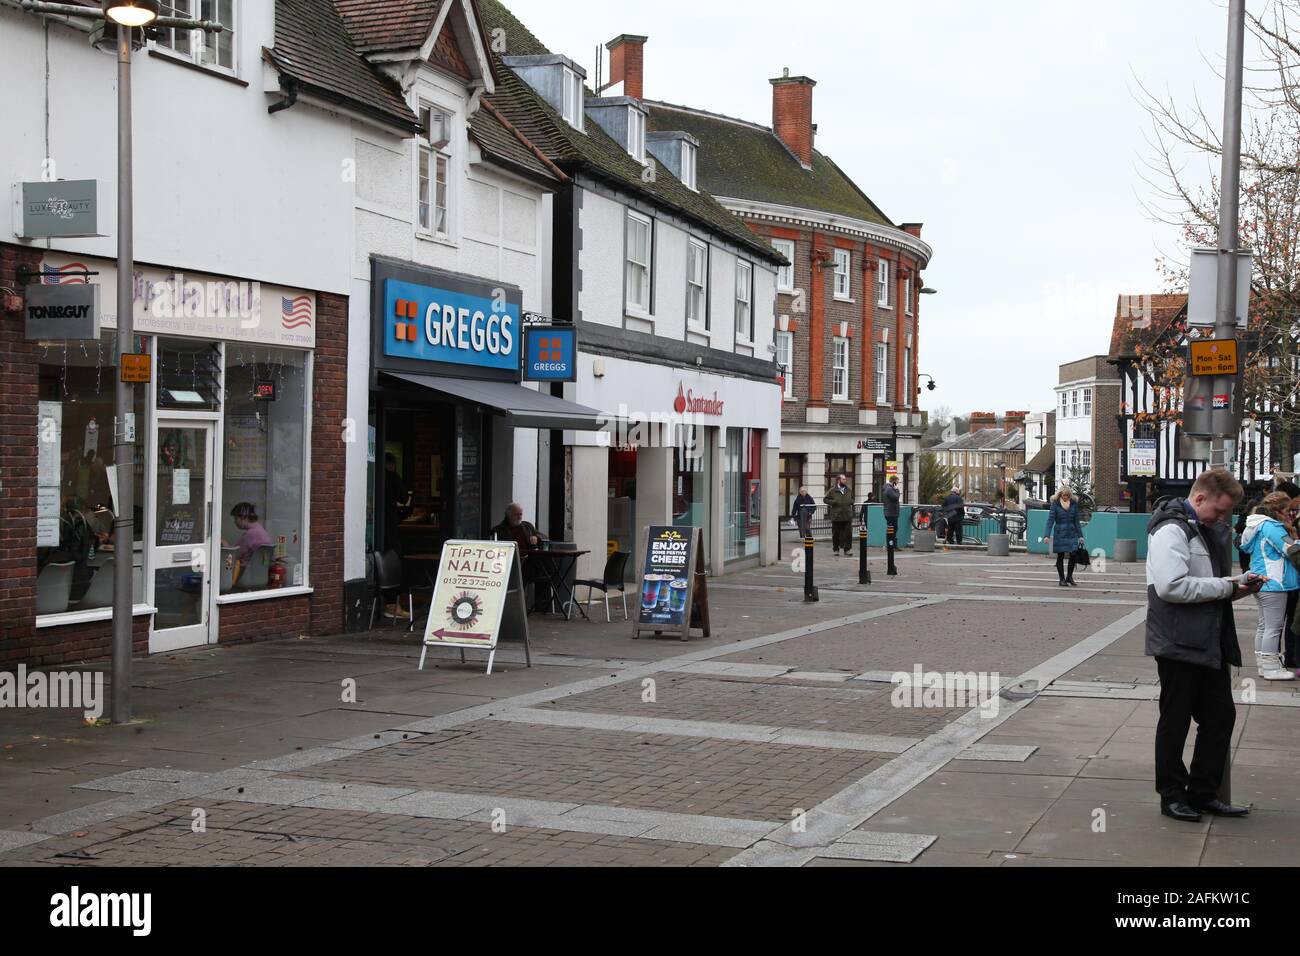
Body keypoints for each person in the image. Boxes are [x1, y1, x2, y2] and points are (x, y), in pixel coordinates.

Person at [1147, 468, 1259, 823]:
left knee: (1219, 716)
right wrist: (1228, 587)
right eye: (1221, 511)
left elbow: (1202, 585)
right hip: (1179, 640)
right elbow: (1171, 587)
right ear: (1199, 499)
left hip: (1203, 639)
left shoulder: (1200, 528)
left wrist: (1237, 584)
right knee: (1175, 720)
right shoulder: (1171, 530)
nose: (1224, 518)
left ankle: (1201, 793)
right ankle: (1173, 795)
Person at [1240, 490, 1299, 680]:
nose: (1291, 514)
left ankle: (1263, 665)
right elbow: (1291, 549)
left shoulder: (1257, 525)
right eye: (1288, 510)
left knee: (1264, 626)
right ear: (1278, 510)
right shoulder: (1272, 527)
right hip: (1275, 582)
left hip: (1262, 581)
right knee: (1273, 627)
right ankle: (1272, 668)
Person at [1043, 486, 1084, 587]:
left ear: (1070, 495)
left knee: (1073, 554)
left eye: (1067, 495)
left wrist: (1080, 536)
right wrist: (1046, 535)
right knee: (1060, 556)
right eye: (1063, 495)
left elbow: (1076, 521)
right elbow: (1050, 521)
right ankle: (1061, 579)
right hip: (1060, 533)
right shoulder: (1055, 505)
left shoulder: (1074, 504)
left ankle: (1069, 577)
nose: (1065, 497)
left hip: (1071, 533)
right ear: (1060, 495)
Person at [382, 452, 412, 555]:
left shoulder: (375, 474)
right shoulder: (393, 477)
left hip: (377, 517)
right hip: (390, 517)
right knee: (392, 547)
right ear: (391, 464)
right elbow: (403, 498)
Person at [824, 474, 855, 557]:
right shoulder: (832, 490)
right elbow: (825, 499)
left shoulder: (848, 490)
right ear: (838, 480)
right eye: (843, 479)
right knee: (836, 534)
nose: (845, 481)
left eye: (845, 479)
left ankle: (847, 549)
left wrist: (850, 502)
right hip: (836, 516)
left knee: (848, 534)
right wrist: (833, 502)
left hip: (847, 515)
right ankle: (836, 549)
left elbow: (853, 499)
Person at [883, 474, 901, 575]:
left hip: (892, 512)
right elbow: (896, 497)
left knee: (894, 529)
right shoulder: (890, 489)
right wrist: (897, 490)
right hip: (891, 512)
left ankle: (893, 544)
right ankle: (891, 545)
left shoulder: (889, 488)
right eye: (897, 482)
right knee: (892, 529)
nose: (898, 484)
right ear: (894, 482)